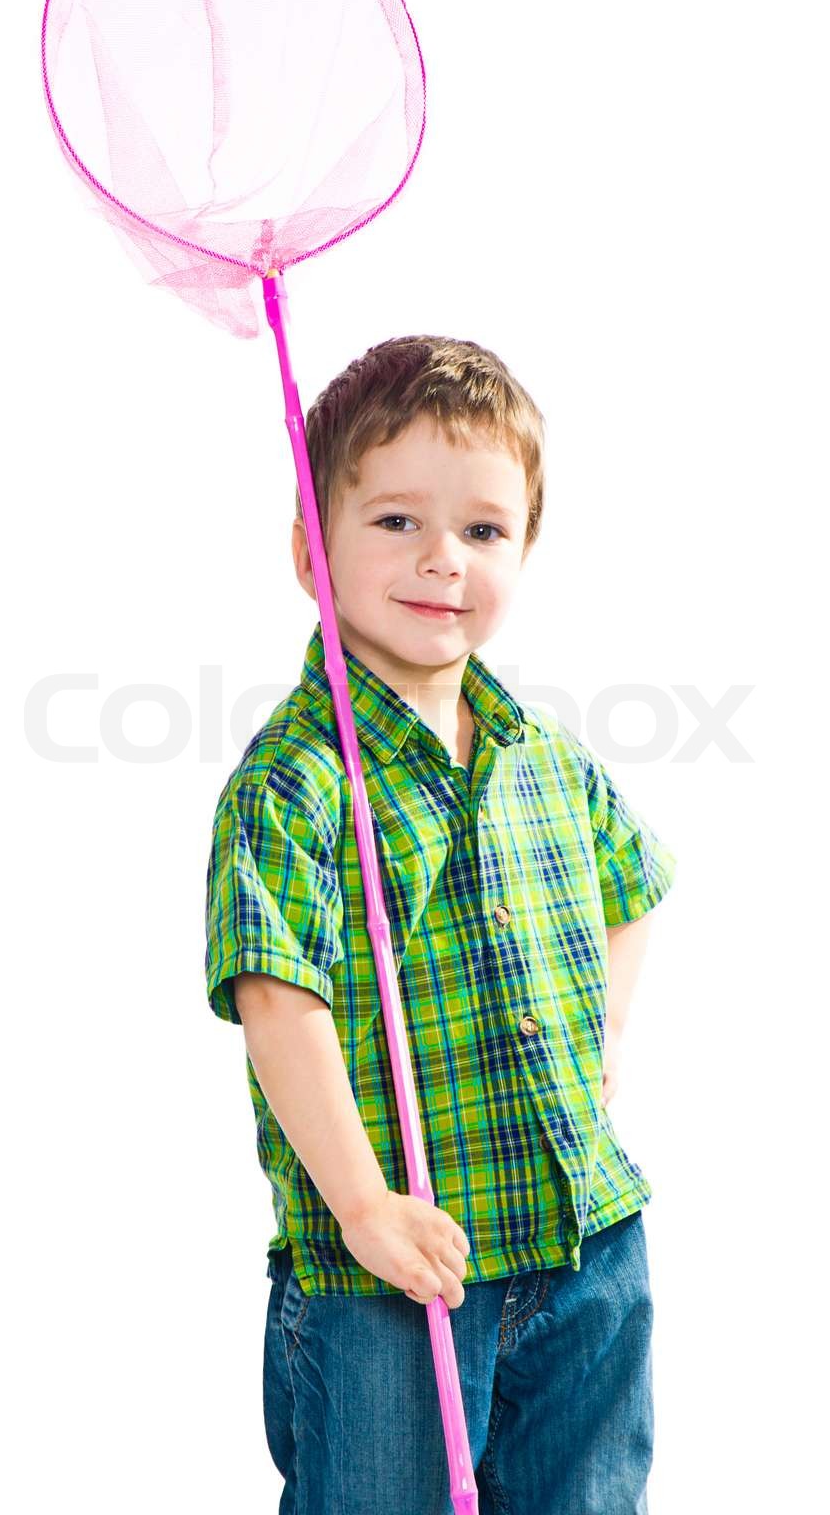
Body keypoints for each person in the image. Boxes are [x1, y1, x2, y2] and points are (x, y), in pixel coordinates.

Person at [204, 335, 677, 1514]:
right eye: (396, 521)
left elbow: (636, 889)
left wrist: (604, 1040)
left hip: (583, 1239)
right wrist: (363, 1202)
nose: (441, 562)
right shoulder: (301, 780)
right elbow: (277, 997)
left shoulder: (541, 752)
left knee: (589, 1496)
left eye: (482, 530)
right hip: (395, 1268)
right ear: (313, 552)